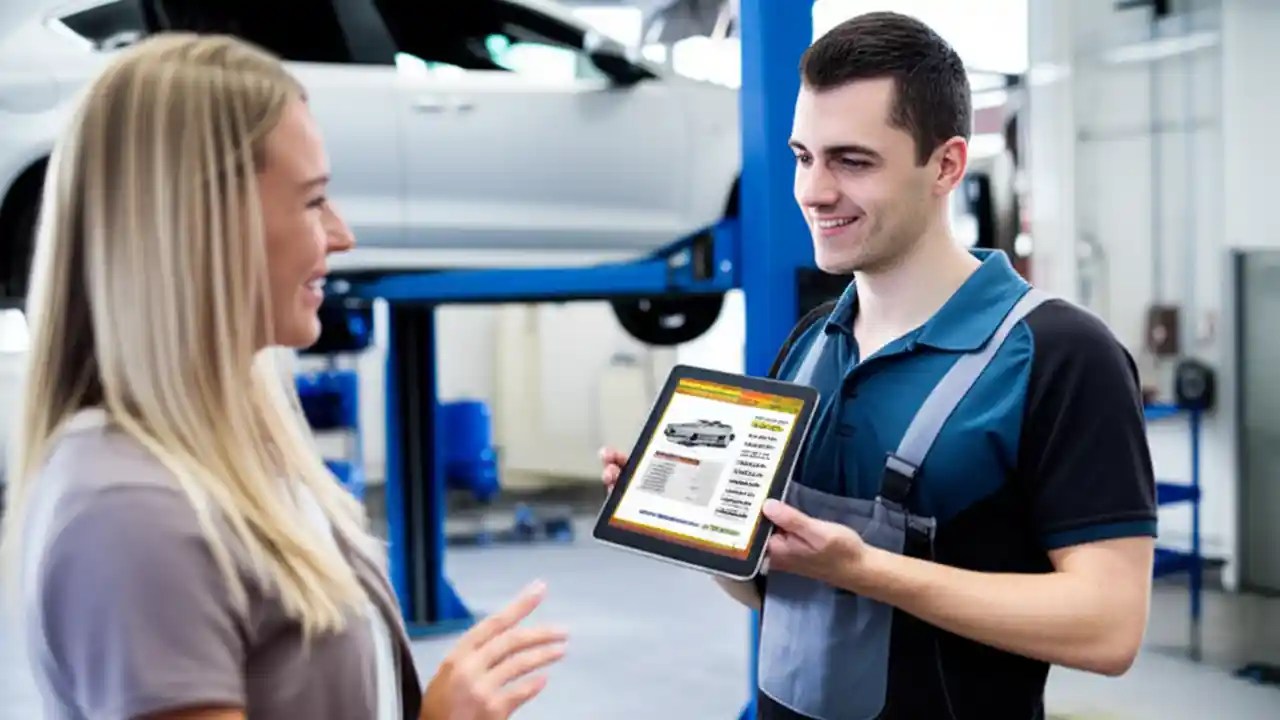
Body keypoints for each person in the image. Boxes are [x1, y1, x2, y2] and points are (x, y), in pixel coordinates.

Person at [600, 11, 1157, 720]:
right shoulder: (808, 347)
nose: (813, 191)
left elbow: (1108, 625)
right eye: (804, 156)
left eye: (852, 161)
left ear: (947, 165)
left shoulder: (1060, 355)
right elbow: (771, 592)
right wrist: (690, 523)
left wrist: (867, 571)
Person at [0, 33, 566, 720]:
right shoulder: (130, 509)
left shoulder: (222, 455)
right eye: (312, 201)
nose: (341, 235)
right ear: (205, 224)